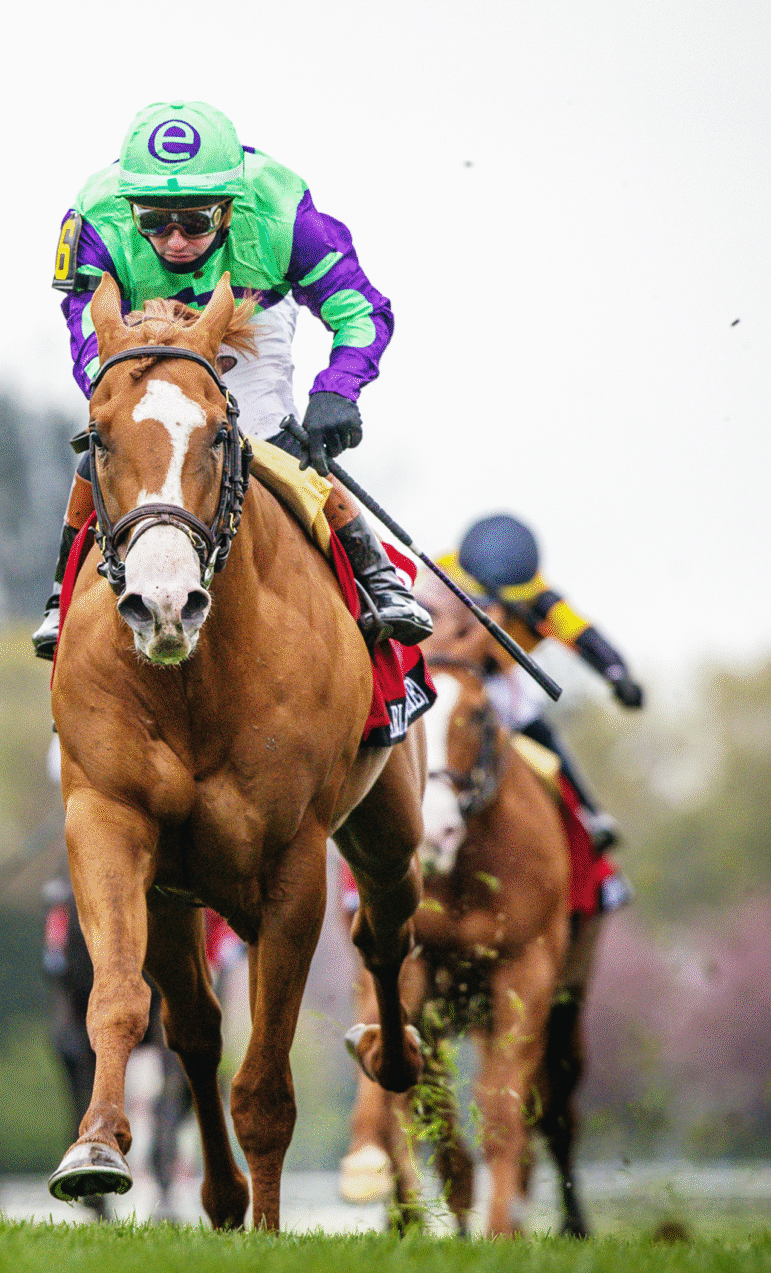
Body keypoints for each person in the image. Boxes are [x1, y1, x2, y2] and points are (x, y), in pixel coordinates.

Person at [33, 100, 431, 658]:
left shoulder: (284, 212)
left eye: (195, 222)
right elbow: (85, 329)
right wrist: (118, 397)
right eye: (154, 221)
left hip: (248, 310)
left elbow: (361, 310)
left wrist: (336, 389)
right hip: (141, 322)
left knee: (265, 428)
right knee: (122, 434)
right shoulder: (94, 216)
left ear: (230, 206)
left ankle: (375, 571)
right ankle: (62, 592)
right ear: (130, 209)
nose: (174, 240)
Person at [446, 512, 643, 852]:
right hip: (445, 677)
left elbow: (586, 638)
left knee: (541, 734)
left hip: (497, 684)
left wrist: (618, 674)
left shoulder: (542, 600)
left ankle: (589, 813)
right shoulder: (442, 571)